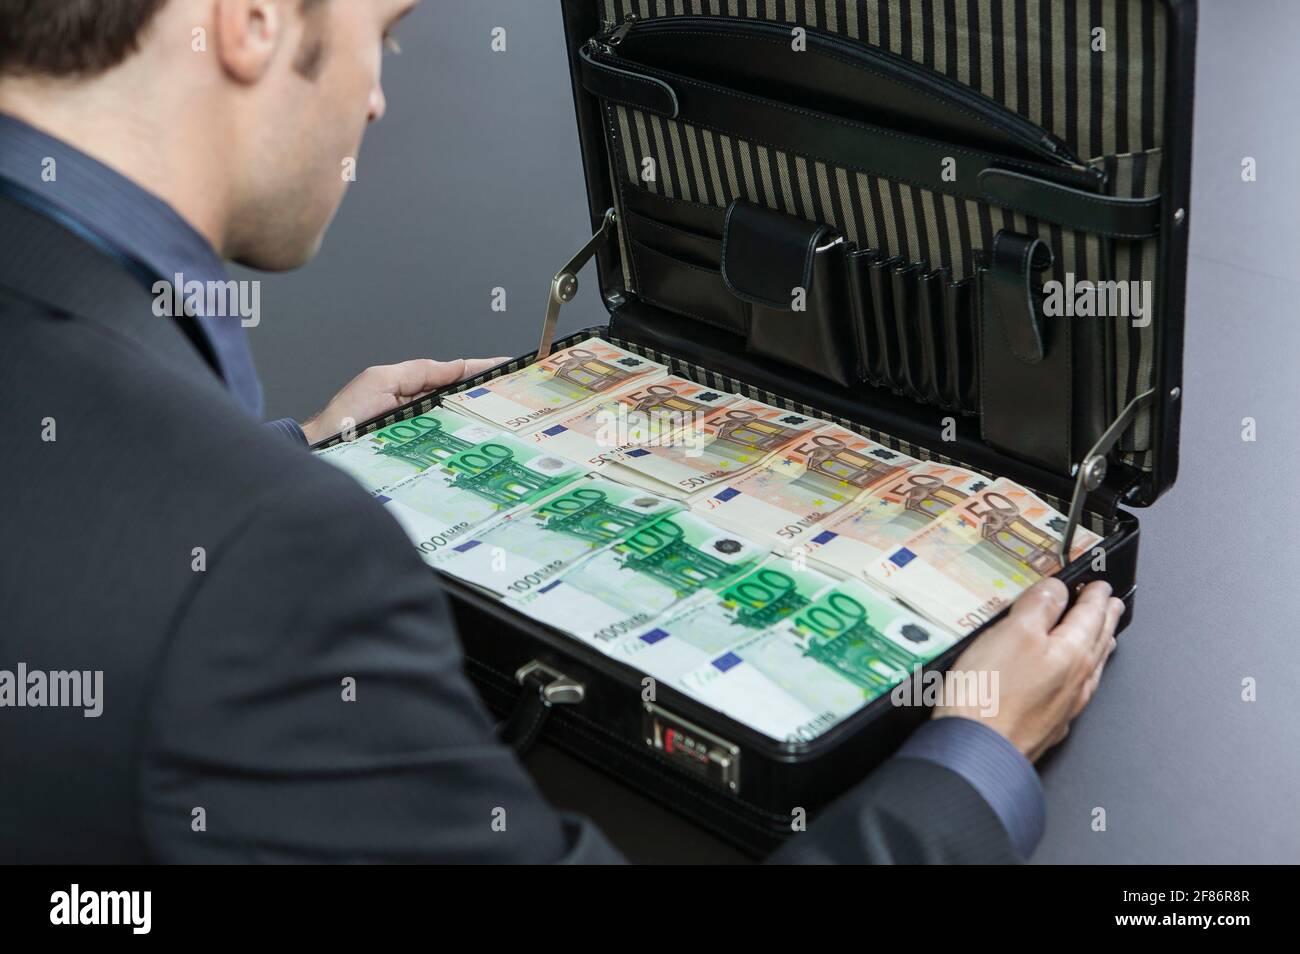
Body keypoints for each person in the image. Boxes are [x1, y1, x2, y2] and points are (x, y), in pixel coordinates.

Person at [0, 0, 1122, 864]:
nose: (377, 98)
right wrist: (969, 765)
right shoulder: (272, 568)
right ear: (249, 22)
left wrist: (271, 460)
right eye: (381, 34)